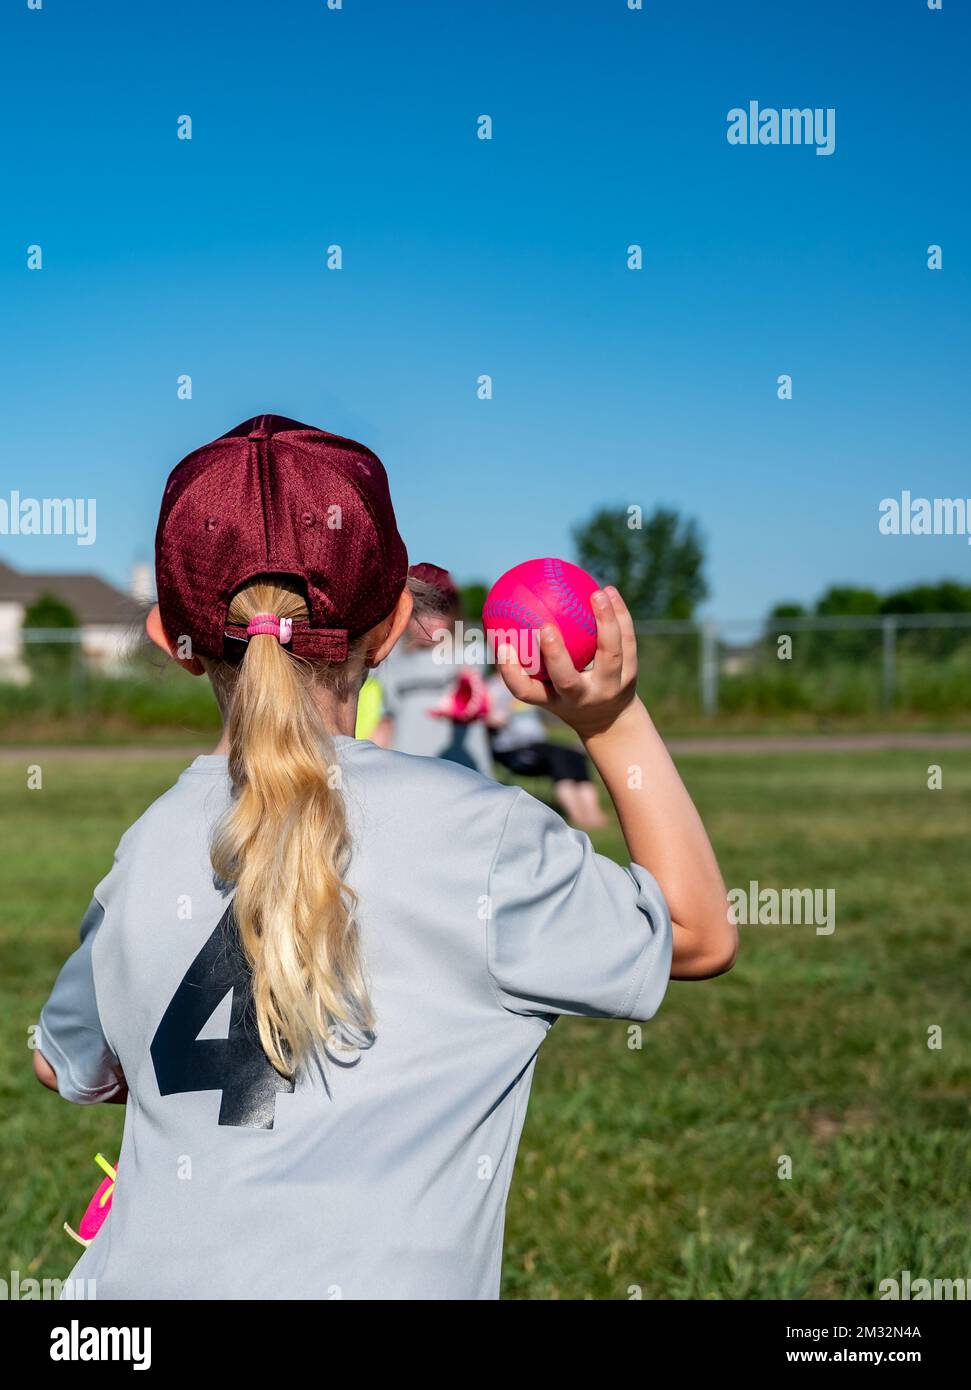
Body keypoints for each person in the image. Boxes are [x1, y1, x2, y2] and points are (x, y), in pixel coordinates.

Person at [33, 413, 736, 1301]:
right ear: (397, 619)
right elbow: (695, 933)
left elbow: (64, 1063)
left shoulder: (144, 849)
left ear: (169, 636)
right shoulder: (483, 838)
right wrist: (611, 720)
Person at [373, 563, 492, 775]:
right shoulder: (394, 658)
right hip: (407, 769)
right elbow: (389, 717)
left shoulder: (465, 651)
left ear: (453, 613)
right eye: (417, 610)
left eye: (438, 609)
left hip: (463, 771)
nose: (425, 621)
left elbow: (472, 683)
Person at [487, 673, 608, 830]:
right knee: (557, 757)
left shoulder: (526, 683)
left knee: (575, 754)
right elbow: (490, 720)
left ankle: (593, 814)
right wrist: (505, 709)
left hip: (538, 745)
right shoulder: (492, 689)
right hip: (512, 749)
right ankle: (578, 815)